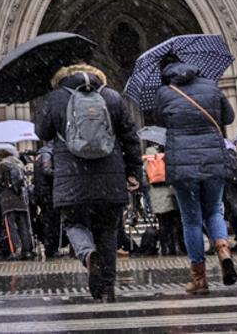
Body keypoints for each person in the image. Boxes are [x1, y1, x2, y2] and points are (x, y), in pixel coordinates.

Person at [35, 62, 141, 303]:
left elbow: (42, 133)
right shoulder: (112, 97)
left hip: (72, 179)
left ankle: (87, 254)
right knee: (108, 231)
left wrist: (49, 105)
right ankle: (108, 286)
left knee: (74, 223)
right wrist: (134, 171)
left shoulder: (56, 98)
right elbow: (130, 138)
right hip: (110, 177)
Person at [150, 54, 237, 294]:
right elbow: (228, 117)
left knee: (191, 220)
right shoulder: (211, 85)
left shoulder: (164, 92)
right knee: (214, 211)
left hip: (183, 165)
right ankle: (223, 249)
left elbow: (160, 120)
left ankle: (199, 278)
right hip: (213, 160)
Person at [143, 144, 183, 256]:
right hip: (172, 191)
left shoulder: (150, 153)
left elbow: (144, 175)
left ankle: (166, 248)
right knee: (175, 222)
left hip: (157, 195)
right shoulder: (172, 150)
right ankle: (177, 247)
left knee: (163, 223)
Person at [0, 149, 35, 260]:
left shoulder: (2, 166)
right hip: (21, 200)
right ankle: (27, 250)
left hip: (8, 201)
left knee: (11, 227)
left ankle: (16, 249)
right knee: (23, 226)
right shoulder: (19, 164)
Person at [32, 143, 61, 258]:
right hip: (47, 193)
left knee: (48, 219)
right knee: (51, 220)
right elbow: (47, 170)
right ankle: (51, 247)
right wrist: (60, 174)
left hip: (42, 192)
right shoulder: (47, 153)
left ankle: (50, 245)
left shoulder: (41, 154)